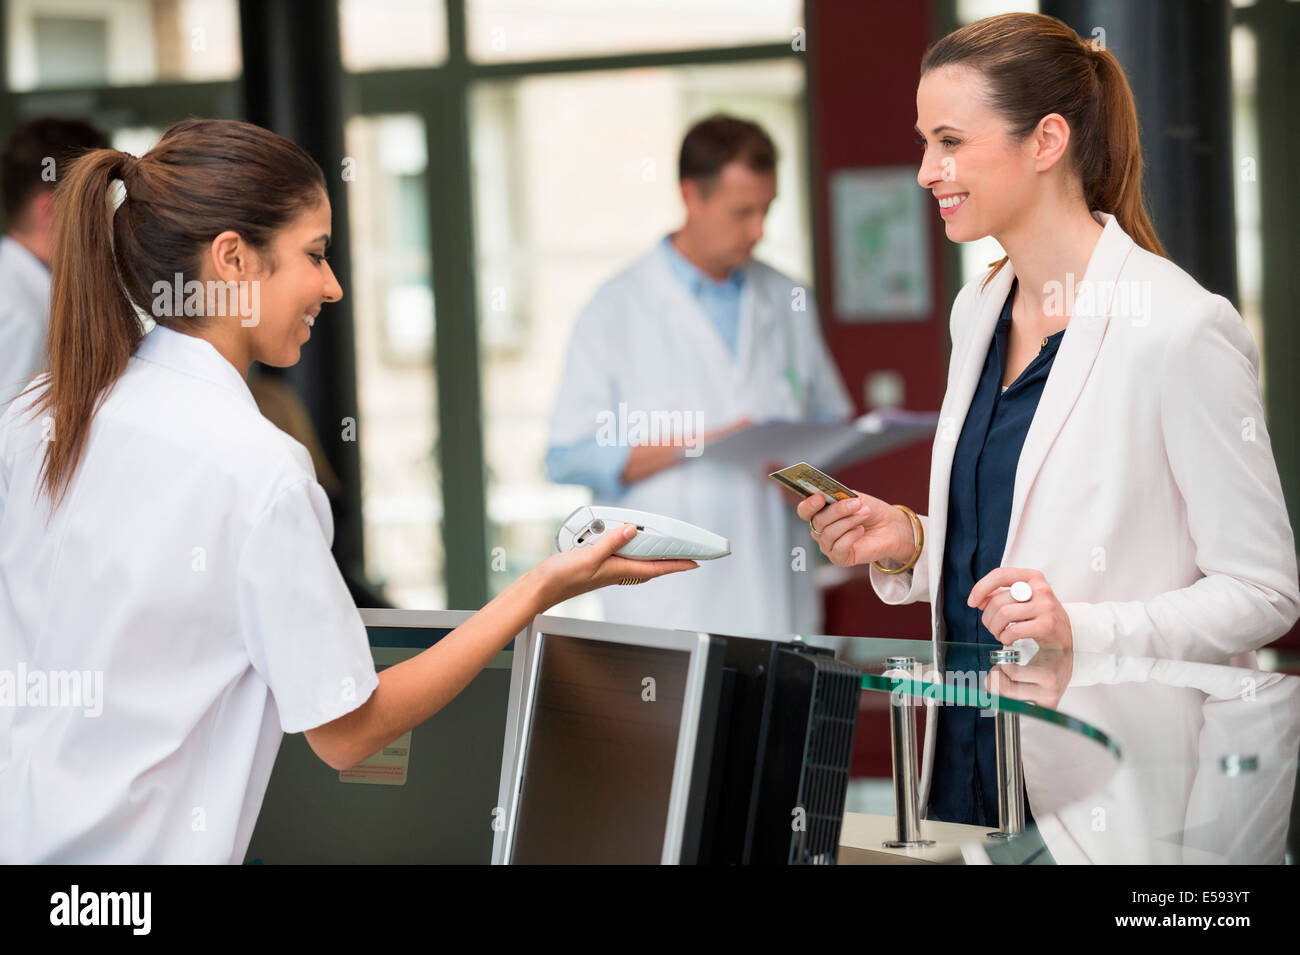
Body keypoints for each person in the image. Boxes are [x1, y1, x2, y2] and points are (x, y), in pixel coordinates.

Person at [0, 119, 695, 864]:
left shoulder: (36, 414)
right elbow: (348, 731)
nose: (331, 287)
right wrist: (536, 590)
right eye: (316, 255)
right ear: (233, 259)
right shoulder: (259, 467)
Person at [799, 13, 1299, 830]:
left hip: (1111, 791)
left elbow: (1264, 591)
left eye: (951, 141)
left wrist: (1082, 629)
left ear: (1046, 141)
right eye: (925, 141)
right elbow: (1017, 532)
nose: (927, 170)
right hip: (966, 777)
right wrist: (915, 542)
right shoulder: (979, 310)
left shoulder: (1178, 328)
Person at [547, 114, 852, 637]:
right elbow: (567, 454)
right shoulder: (615, 308)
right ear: (691, 196)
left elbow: (833, 424)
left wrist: (803, 475)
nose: (758, 231)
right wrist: (703, 442)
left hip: (779, 596)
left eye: (767, 211)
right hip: (668, 608)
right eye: (742, 212)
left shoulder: (787, 298)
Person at [0, 117, 109, 404]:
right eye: (101, 204)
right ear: (51, 210)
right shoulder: (22, 315)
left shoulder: (23, 293)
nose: (110, 221)